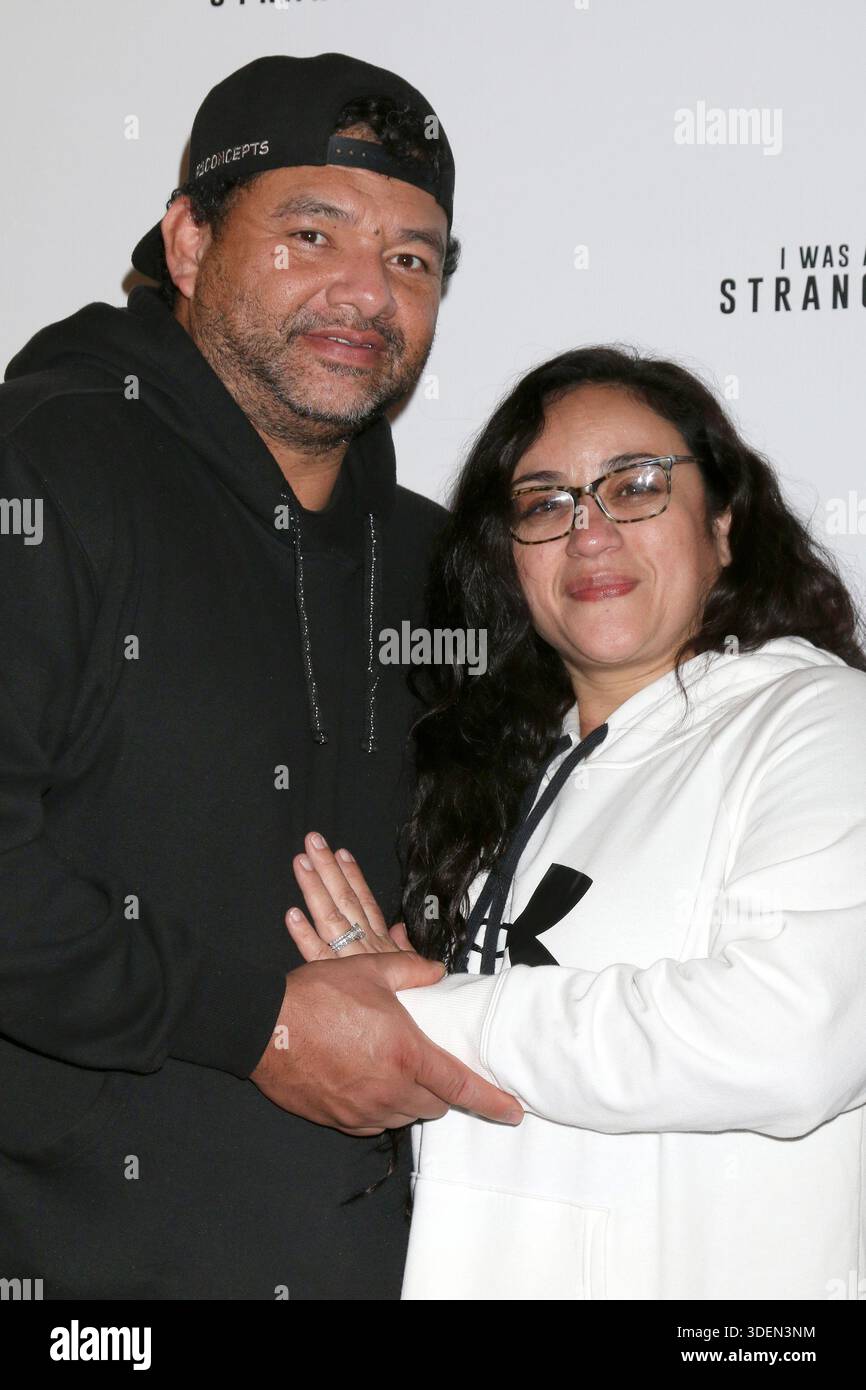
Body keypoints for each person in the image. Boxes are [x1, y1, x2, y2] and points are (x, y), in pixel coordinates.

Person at [0, 52, 520, 1302]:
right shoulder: (45, 475)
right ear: (188, 243)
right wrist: (262, 1025)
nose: (365, 291)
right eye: (311, 232)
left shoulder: (438, 557)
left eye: (412, 258)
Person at [287, 345, 866, 1300]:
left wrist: (427, 1016)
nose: (588, 533)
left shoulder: (820, 722)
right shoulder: (515, 780)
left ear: (724, 524)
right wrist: (398, 1046)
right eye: (547, 502)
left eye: (634, 486)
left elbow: (794, 1037)